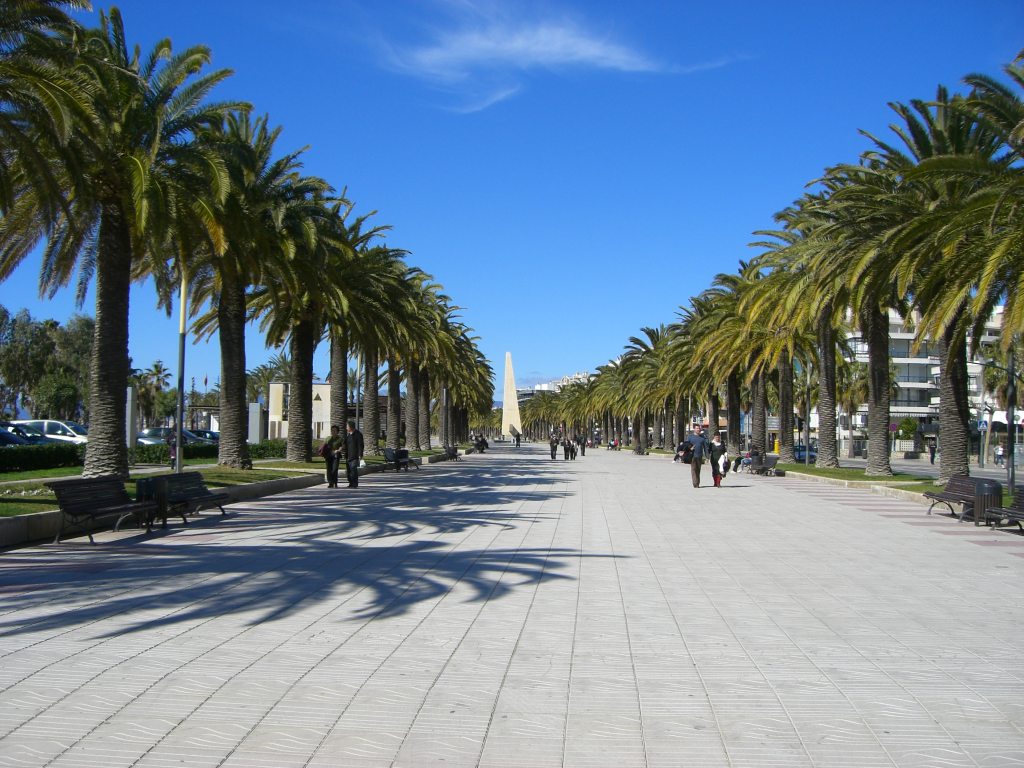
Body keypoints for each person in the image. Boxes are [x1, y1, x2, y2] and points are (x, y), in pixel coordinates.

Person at [344, 421, 364, 488]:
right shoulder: (348, 435)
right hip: (348, 456)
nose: (346, 428)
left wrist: (360, 455)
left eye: (347, 426)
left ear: (350, 427)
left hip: (355, 456)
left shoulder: (358, 434)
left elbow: (360, 445)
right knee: (349, 471)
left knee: (353, 470)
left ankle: (355, 483)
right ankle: (351, 483)